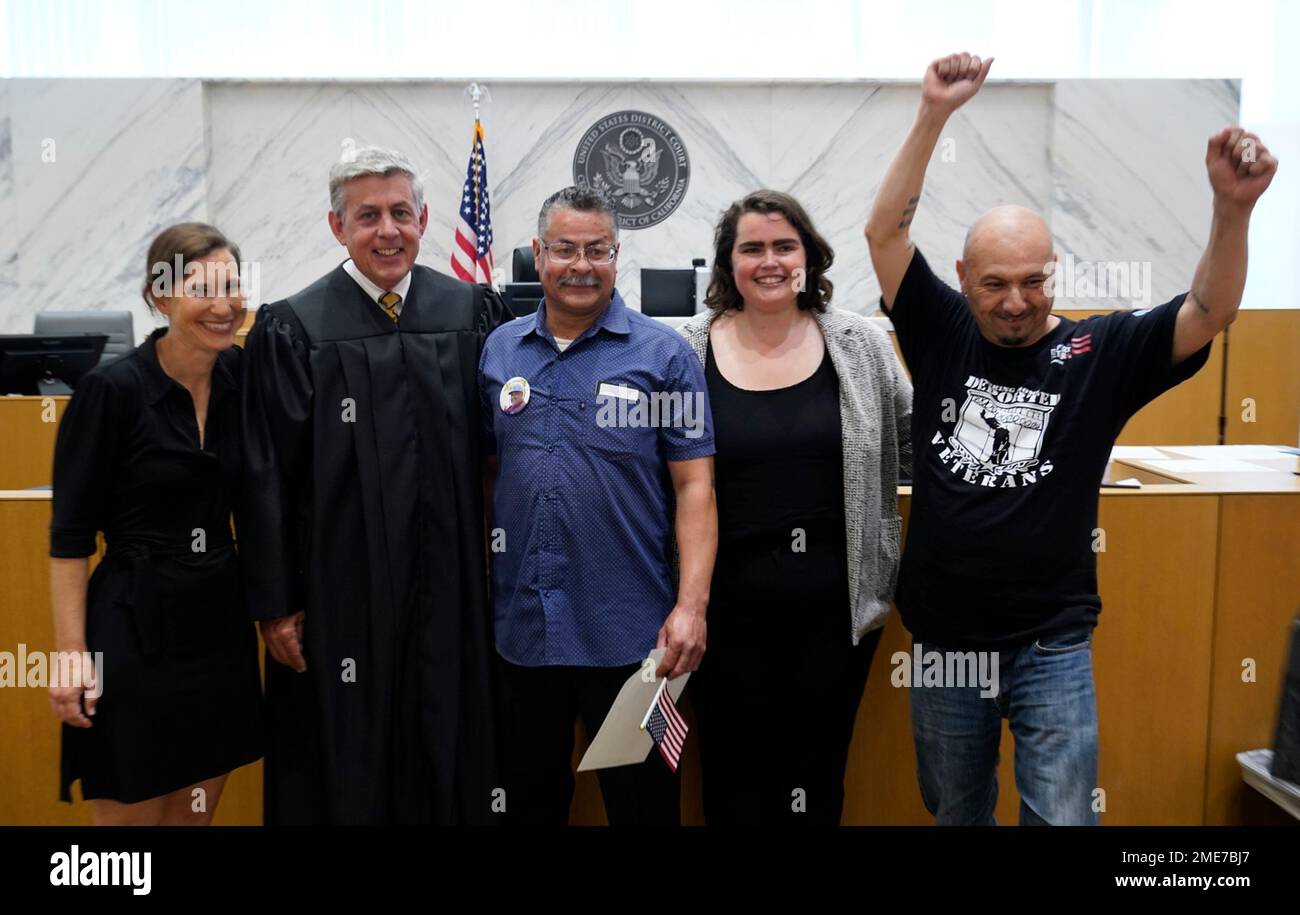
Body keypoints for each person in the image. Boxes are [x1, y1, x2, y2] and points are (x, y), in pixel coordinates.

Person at [865, 52, 1279, 825]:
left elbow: (1207, 311)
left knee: (1062, 817)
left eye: (1034, 280)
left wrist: (1232, 211)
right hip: (947, 638)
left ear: (1054, 273)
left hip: (1051, 643)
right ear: (962, 276)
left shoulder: (1103, 354)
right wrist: (933, 114)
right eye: (995, 283)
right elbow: (884, 228)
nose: (1016, 302)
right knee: (955, 811)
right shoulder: (939, 327)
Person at [239, 146, 511, 825]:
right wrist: (277, 603)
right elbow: (264, 474)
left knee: (451, 732)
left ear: (423, 219)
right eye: (368, 216)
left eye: (400, 212)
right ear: (337, 227)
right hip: (341, 594)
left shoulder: (474, 313)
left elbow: (507, 451)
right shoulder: (293, 327)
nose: (387, 230)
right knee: (348, 753)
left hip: (453, 585)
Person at [479, 186, 717, 825]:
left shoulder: (664, 355)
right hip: (522, 632)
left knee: (644, 810)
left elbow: (696, 486)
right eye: (564, 249)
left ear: (617, 256)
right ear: (537, 254)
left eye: (597, 250)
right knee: (525, 805)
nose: (580, 265)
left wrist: (691, 609)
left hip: (638, 637)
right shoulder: (499, 352)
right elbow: (488, 473)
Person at [680, 190, 912, 825]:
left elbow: (913, 438)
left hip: (836, 612)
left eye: (785, 246)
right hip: (721, 613)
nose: (770, 261)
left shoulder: (859, 343)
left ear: (809, 256)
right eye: (751, 248)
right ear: (729, 264)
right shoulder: (686, 349)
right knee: (731, 777)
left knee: (816, 777)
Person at [48, 222, 262, 825]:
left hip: (218, 626)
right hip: (133, 630)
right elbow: (68, 540)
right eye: (203, 288)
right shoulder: (111, 393)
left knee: (193, 818)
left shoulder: (241, 378)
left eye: (232, 285)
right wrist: (70, 656)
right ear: (160, 296)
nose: (224, 305)